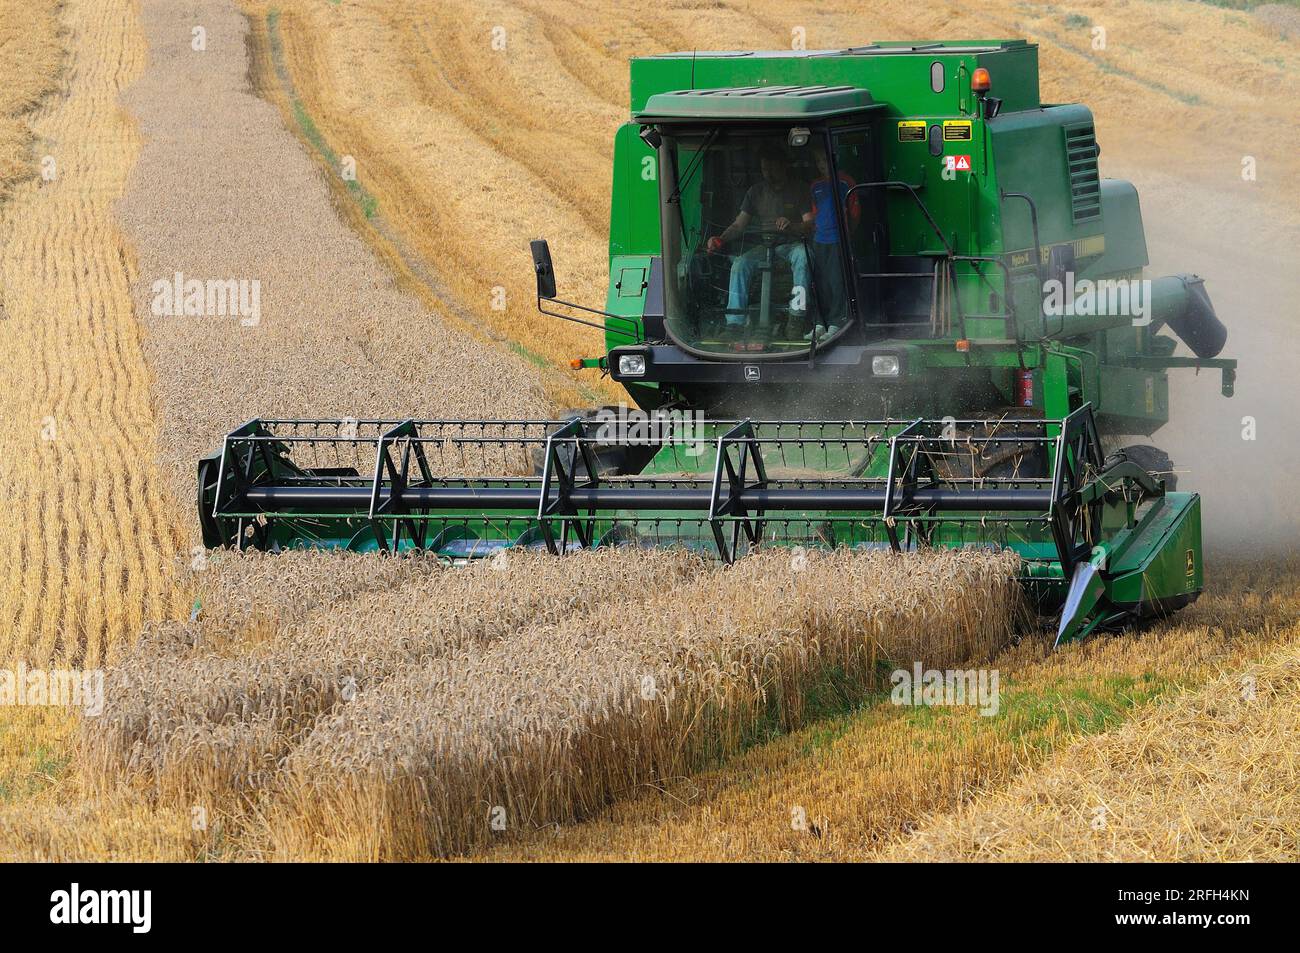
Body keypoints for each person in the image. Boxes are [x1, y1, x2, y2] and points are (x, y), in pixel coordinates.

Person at [706, 145, 810, 334]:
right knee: (739, 263)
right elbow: (739, 225)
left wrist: (791, 225)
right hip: (766, 246)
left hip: (791, 245)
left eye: (772, 168)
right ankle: (734, 323)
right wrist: (720, 239)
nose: (767, 173)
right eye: (764, 169)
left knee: (803, 256)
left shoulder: (799, 189)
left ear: (783, 166)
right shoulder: (755, 192)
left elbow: (810, 224)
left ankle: (797, 318)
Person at [800, 148, 860, 339]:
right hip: (819, 240)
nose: (821, 164)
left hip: (837, 240)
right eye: (818, 161)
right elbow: (814, 212)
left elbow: (855, 213)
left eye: (824, 160)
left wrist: (847, 235)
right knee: (819, 283)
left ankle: (836, 322)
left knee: (836, 281)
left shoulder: (846, 182)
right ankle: (820, 323)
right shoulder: (815, 185)